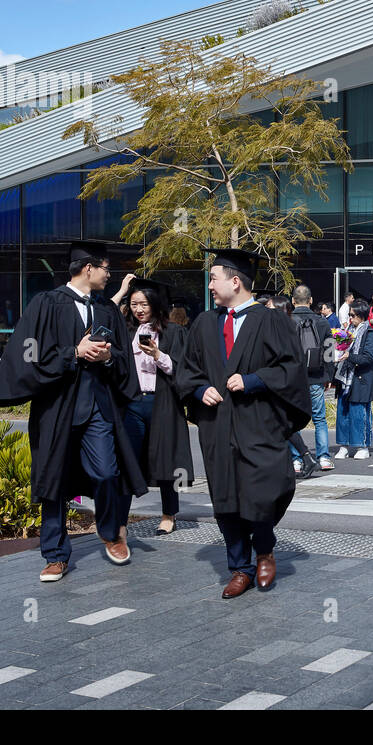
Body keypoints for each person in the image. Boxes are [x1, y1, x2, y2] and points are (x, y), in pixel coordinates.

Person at [0, 241, 147, 580]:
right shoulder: (45, 305)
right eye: (106, 268)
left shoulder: (106, 309)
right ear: (88, 268)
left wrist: (107, 357)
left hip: (98, 408)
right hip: (57, 408)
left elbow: (123, 358)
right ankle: (56, 554)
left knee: (107, 472)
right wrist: (73, 352)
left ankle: (109, 531)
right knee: (55, 482)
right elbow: (28, 356)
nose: (109, 275)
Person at [175, 249, 312, 599]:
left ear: (235, 281)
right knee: (225, 498)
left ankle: (264, 547)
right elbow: (187, 370)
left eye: (213, 278)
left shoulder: (271, 321)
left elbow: (291, 369)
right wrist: (200, 388)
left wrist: (253, 380)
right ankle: (240, 567)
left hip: (258, 423)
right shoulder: (205, 323)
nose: (209, 285)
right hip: (218, 425)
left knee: (263, 492)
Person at [120, 278, 193, 536]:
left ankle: (168, 514)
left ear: (155, 304)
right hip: (133, 402)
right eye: (134, 303)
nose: (139, 309)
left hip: (163, 402)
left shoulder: (173, 332)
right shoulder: (124, 331)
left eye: (144, 304)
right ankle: (120, 520)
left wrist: (157, 355)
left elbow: (181, 370)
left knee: (166, 461)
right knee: (127, 460)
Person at [290, 284, 336, 472]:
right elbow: (329, 349)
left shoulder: (287, 320)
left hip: (293, 378)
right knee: (320, 419)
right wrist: (329, 375)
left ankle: (297, 459)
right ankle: (324, 457)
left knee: (293, 419)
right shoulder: (322, 321)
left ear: (293, 301)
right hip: (316, 376)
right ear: (311, 300)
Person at [334, 299, 373, 460]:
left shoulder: (370, 334)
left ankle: (362, 445)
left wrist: (350, 356)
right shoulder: (347, 332)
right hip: (345, 378)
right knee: (342, 411)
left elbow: (368, 357)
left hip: (361, 378)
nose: (350, 318)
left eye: (353, 315)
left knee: (359, 412)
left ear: (361, 316)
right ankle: (344, 445)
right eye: (349, 315)